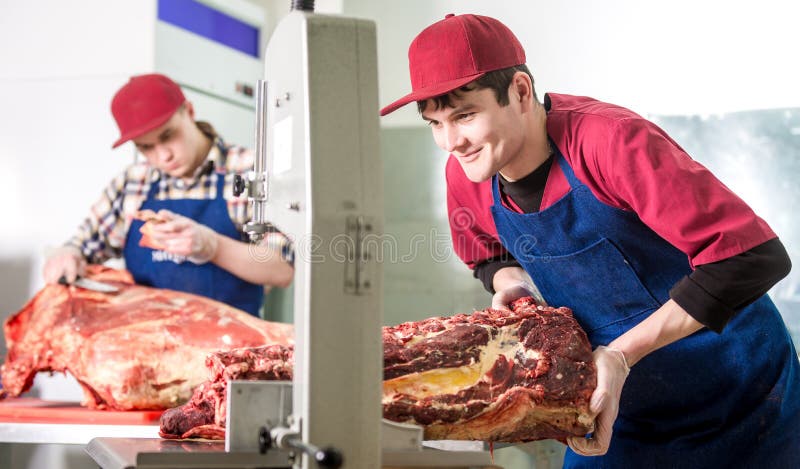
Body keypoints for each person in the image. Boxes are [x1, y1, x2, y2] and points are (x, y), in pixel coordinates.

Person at [380, 13, 800, 468]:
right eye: (435, 123)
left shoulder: (611, 142)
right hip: (615, 408)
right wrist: (514, 285)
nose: (451, 142)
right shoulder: (467, 174)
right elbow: (487, 256)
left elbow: (753, 258)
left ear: (520, 91)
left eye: (464, 116)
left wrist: (621, 355)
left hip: (742, 397)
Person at [43, 73, 294, 317]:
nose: (164, 156)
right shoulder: (133, 182)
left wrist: (213, 246)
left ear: (189, 111)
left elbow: (283, 269)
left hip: (232, 340)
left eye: (168, 135)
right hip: (149, 337)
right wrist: (67, 255)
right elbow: (81, 246)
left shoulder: (248, 171)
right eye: (146, 147)